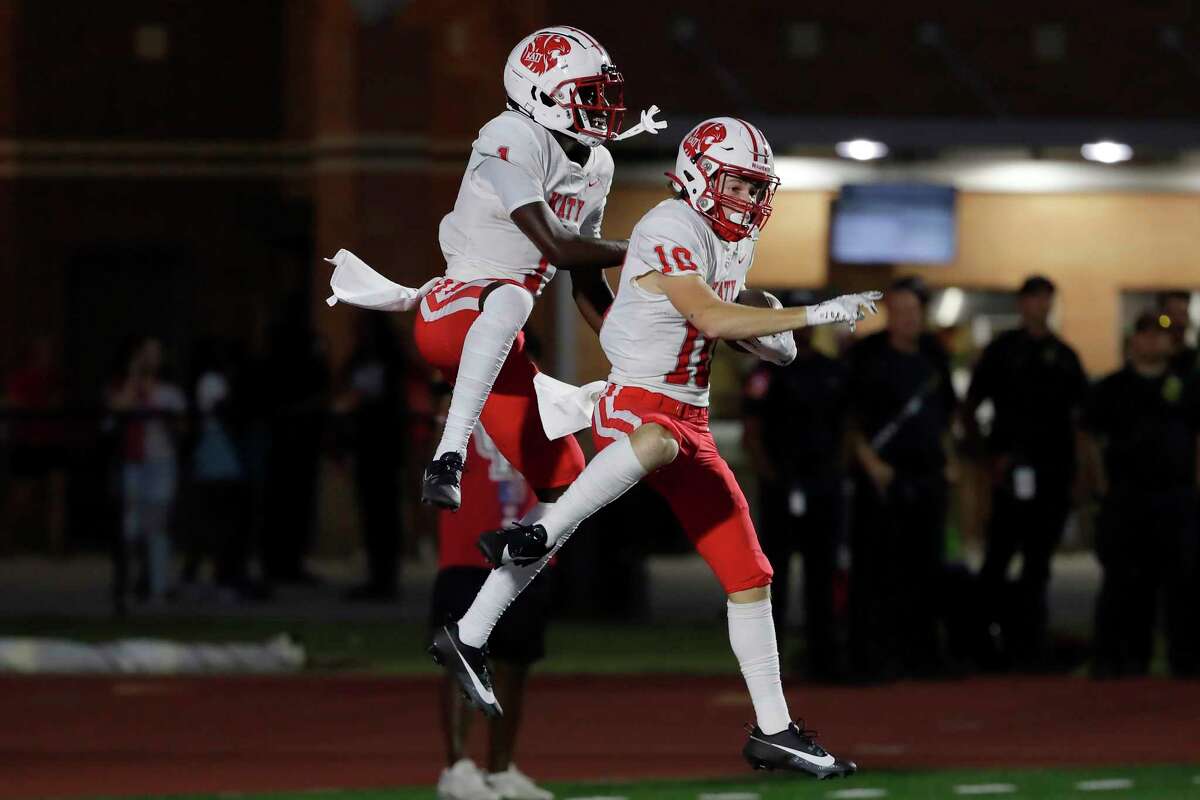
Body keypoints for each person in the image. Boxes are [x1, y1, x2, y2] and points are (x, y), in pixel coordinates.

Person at [431, 117, 879, 778]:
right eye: (736, 182)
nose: (749, 200)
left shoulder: (731, 243)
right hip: (636, 404)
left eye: (757, 187)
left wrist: (767, 316)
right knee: (658, 442)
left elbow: (726, 315)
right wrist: (813, 314)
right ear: (698, 174)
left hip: (689, 418)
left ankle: (775, 729)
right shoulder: (672, 225)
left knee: (750, 572)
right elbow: (710, 317)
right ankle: (537, 532)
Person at [416, 25, 664, 512]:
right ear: (539, 94)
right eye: (588, 95)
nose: (601, 106)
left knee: (568, 493)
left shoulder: (597, 164)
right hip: (453, 312)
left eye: (603, 94)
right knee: (513, 296)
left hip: (503, 341)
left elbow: (587, 282)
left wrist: (637, 362)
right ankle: (447, 456)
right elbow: (558, 245)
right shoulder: (510, 134)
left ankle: (508, 579)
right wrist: (650, 248)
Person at [962, 275, 1088, 668]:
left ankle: (1030, 644)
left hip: (1051, 473)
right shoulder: (1002, 352)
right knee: (997, 558)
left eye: (1047, 300)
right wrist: (985, 457)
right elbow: (971, 407)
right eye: (1035, 300)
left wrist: (1080, 474)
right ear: (1022, 304)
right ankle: (980, 644)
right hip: (1007, 470)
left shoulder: (1065, 356)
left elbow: (1081, 420)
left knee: (1038, 562)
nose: (1041, 307)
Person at [845, 277, 957, 681]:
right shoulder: (866, 356)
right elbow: (848, 417)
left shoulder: (934, 355)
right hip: (880, 476)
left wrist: (949, 461)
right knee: (876, 568)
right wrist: (869, 462)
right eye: (901, 310)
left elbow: (946, 413)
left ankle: (923, 654)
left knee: (926, 566)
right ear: (889, 312)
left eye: (915, 311)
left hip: (927, 474)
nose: (909, 318)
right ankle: (872, 657)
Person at [433, 425, 553, 800]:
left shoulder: (546, 404)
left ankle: (500, 770)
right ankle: (457, 767)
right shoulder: (464, 400)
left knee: (515, 662)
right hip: (468, 548)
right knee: (462, 659)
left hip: (528, 551)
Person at [1083, 311, 1200, 678]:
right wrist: (1099, 486)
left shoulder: (1187, 386)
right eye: (1147, 334)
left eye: (1162, 335)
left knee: (1182, 580)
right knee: (1123, 580)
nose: (1155, 342)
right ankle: (1119, 658)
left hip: (1176, 497)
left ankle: (1185, 659)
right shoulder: (1112, 387)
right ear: (1133, 340)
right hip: (1126, 496)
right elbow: (1088, 438)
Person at [742, 324, 849, 680]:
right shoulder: (765, 371)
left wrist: (837, 470)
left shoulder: (833, 371)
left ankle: (825, 657)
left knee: (822, 572)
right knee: (774, 576)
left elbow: (848, 425)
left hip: (822, 484)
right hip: (781, 485)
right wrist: (768, 474)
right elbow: (752, 427)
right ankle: (770, 661)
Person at [105, 337, 187, 606]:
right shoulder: (124, 388)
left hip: (161, 462)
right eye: (145, 354)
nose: (151, 359)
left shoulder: (169, 393)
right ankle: (126, 586)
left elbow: (182, 428)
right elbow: (118, 409)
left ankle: (158, 587)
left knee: (158, 526)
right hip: (133, 463)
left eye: (156, 354)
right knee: (130, 526)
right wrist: (133, 377)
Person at [339, 315, 406, 601]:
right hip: (366, 446)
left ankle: (385, 578)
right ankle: (378, 576)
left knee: (384, 515)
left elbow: (389, 404)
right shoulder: (360, 360)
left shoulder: (390, 364)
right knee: (372, 513)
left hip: (383, 448)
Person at [1158, 290, 1197, 375]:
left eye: (1182, 314)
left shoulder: (1194, 357)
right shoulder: (1153, 356)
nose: (1177, 320)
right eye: (1172, 313)